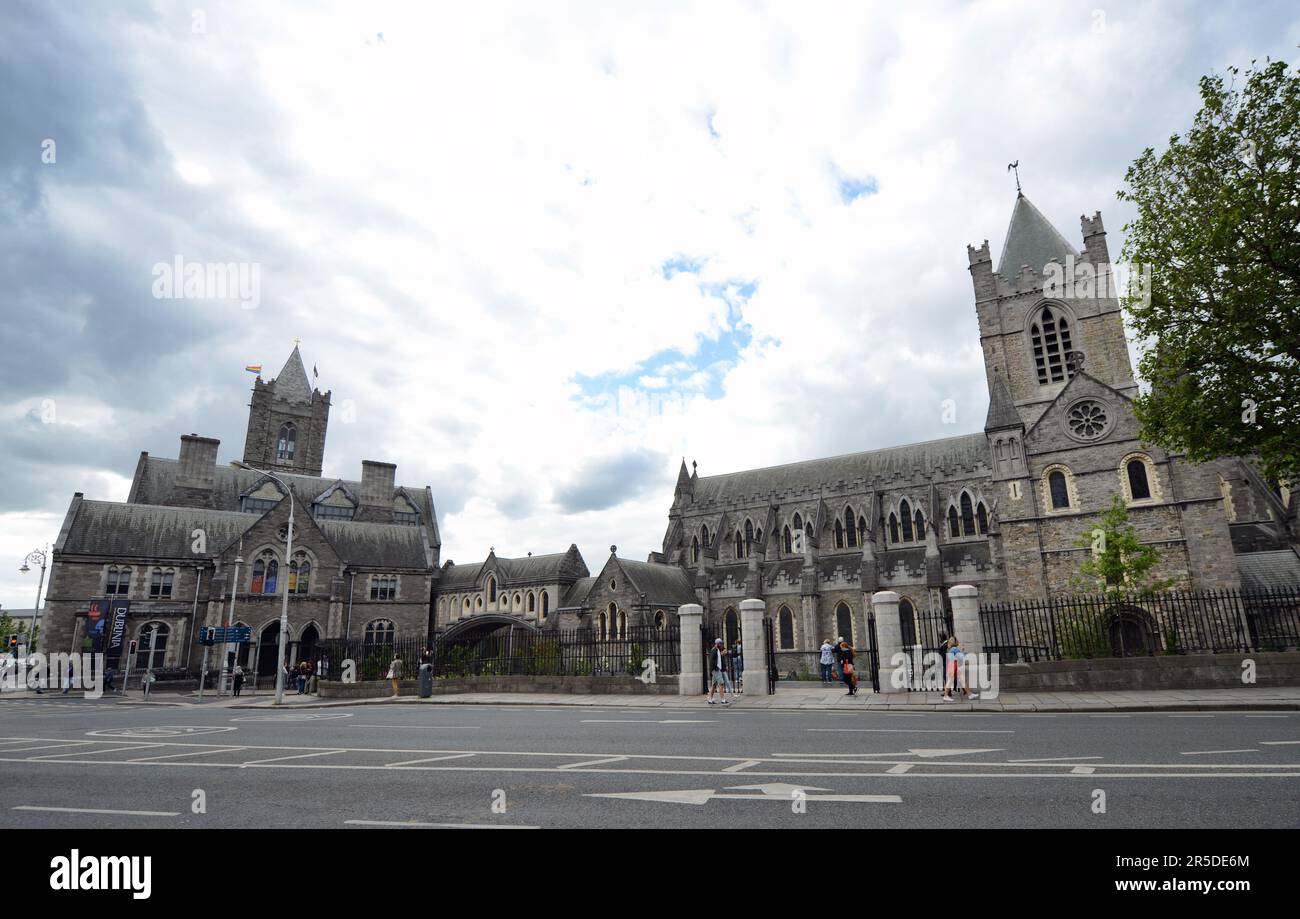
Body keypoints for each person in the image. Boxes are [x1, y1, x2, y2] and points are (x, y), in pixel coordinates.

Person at [942, 636, 979, 702]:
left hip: (953, 666)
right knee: (950, 681)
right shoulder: (955, 649)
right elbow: (962, 658)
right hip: (955, 666)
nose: (958, 641)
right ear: (955, 642)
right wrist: (962, 650)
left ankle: (970, 694)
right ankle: (945, 696)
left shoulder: (951, 649)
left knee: (961, 680)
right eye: (957, 640)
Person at [706, 638, 730, 705]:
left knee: (714, 685)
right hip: (716, 670)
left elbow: (719, 659)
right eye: (720, 643)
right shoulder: (714, 650)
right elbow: (711, 661)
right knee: (721, 683)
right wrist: (714, 669)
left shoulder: (717, 650)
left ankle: (710, 699)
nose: (721, 645)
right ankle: (723, 700)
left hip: (717, 669)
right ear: (717, 644)